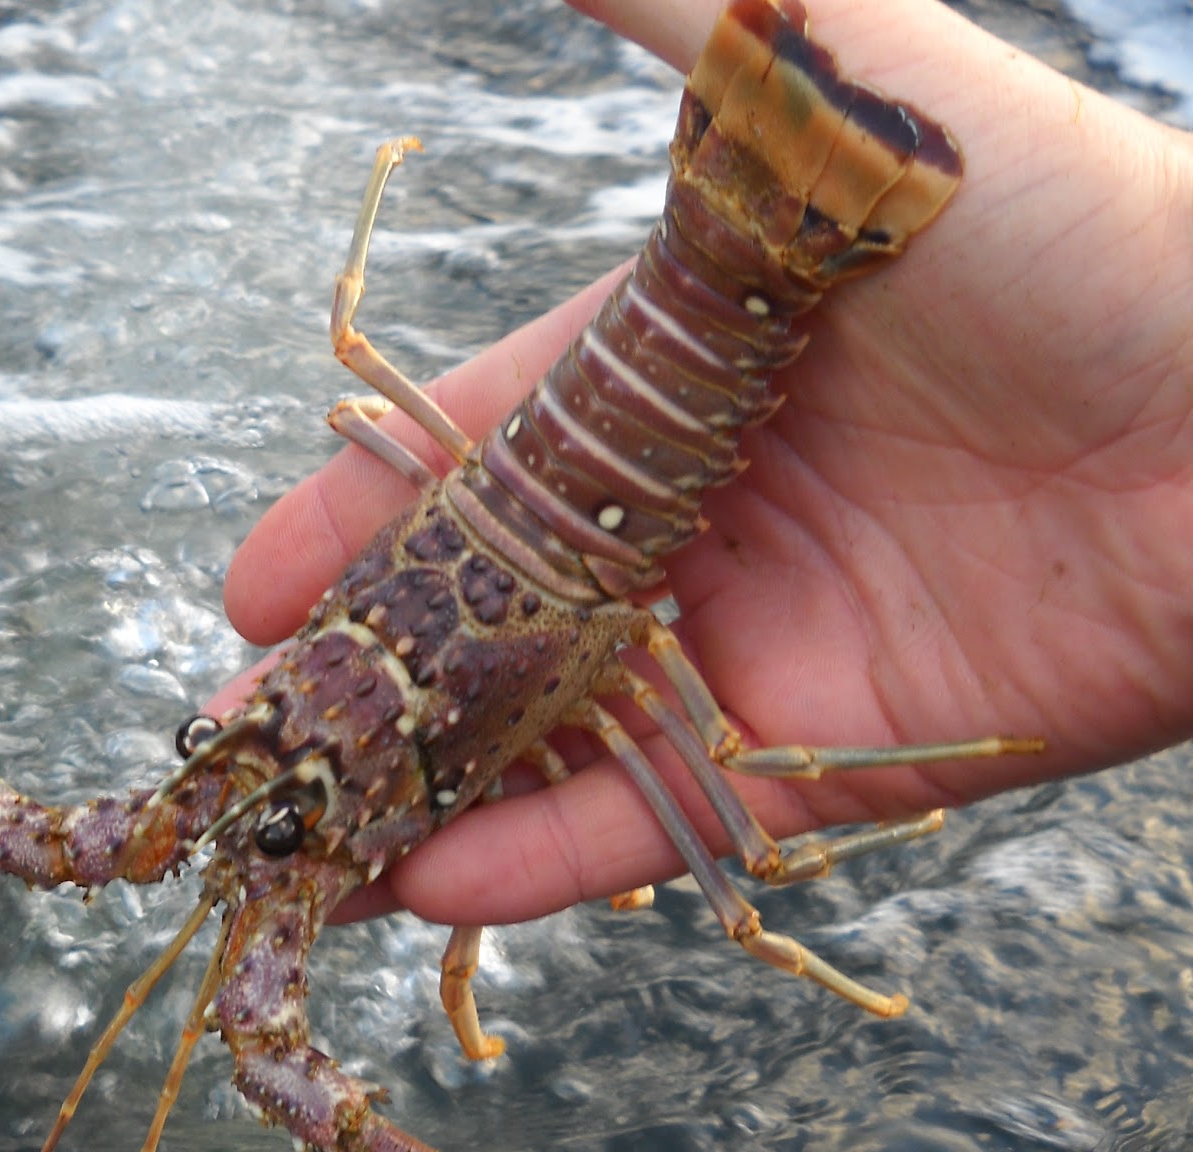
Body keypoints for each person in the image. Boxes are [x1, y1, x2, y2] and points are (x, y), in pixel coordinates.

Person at [212, 0, 1193, 929]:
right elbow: (354, 346)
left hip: (676, 385)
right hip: (655, 321)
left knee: (619, 828)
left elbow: (754, 819)